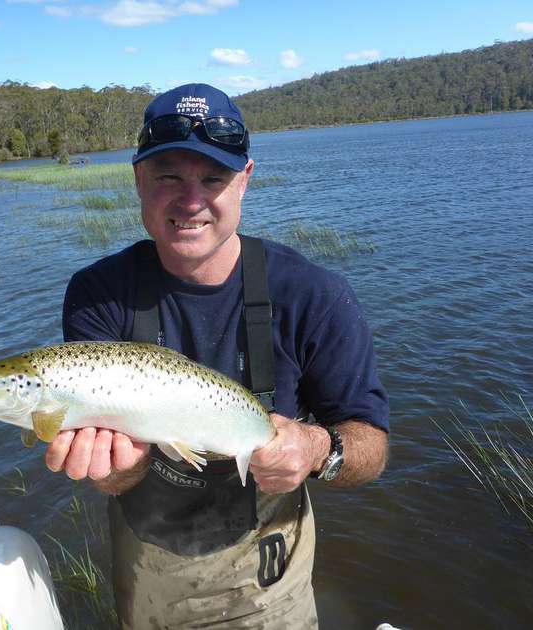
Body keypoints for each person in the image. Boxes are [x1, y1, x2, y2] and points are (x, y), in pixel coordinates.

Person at [48, 83, 390, 629]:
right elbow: (111, 475)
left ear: (245, 181)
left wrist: (318, 448)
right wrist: (115, 470)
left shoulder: (314, 293)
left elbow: (371, 447)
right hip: (146, 568)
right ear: (137, 180)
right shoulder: (97, 294)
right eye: (168, 178)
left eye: (213, 179)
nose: (190, 201)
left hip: (270, 579)